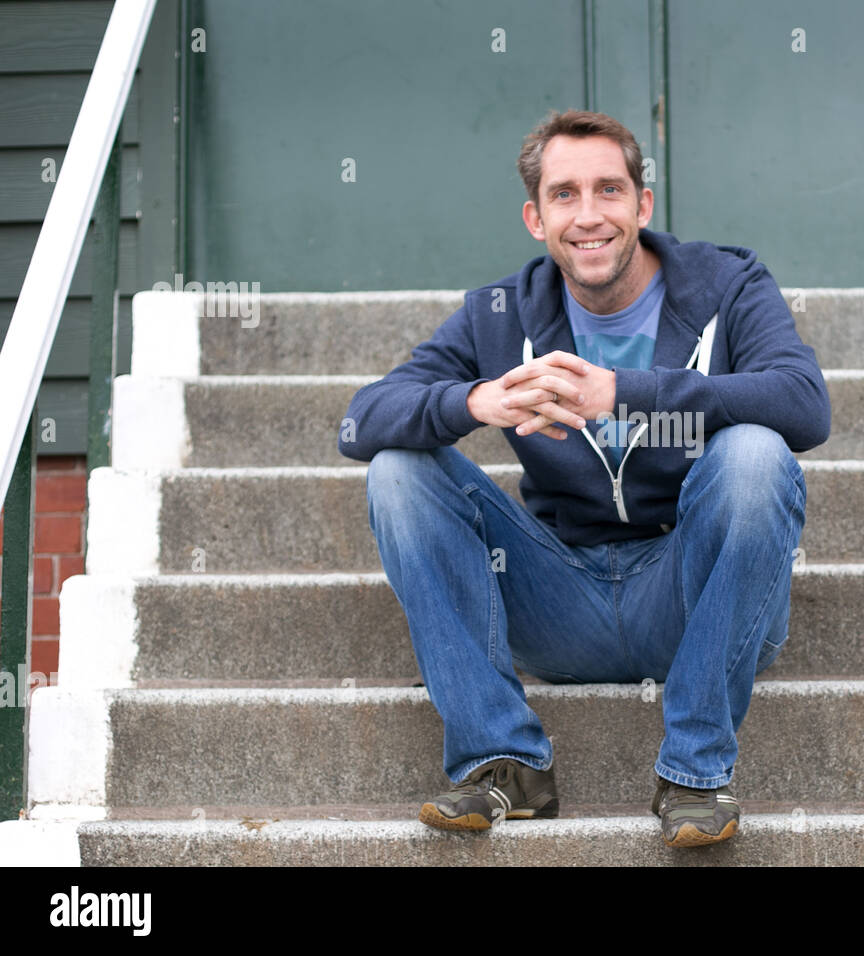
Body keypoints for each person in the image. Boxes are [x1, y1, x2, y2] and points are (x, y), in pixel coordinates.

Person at [338, 109, 831, 848]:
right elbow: (359, 422)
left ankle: (696, 774)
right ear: (536, 219)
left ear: (643, 204)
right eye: (565, 195)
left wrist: (626, 392)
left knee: (757, 451)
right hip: (557, 598)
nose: (590, 215)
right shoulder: (500, 312)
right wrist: (475, 401)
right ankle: (505, 763)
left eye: (609, 189)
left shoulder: (727, 283)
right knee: (399, 472)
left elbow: (804, 403)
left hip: (693, 594)